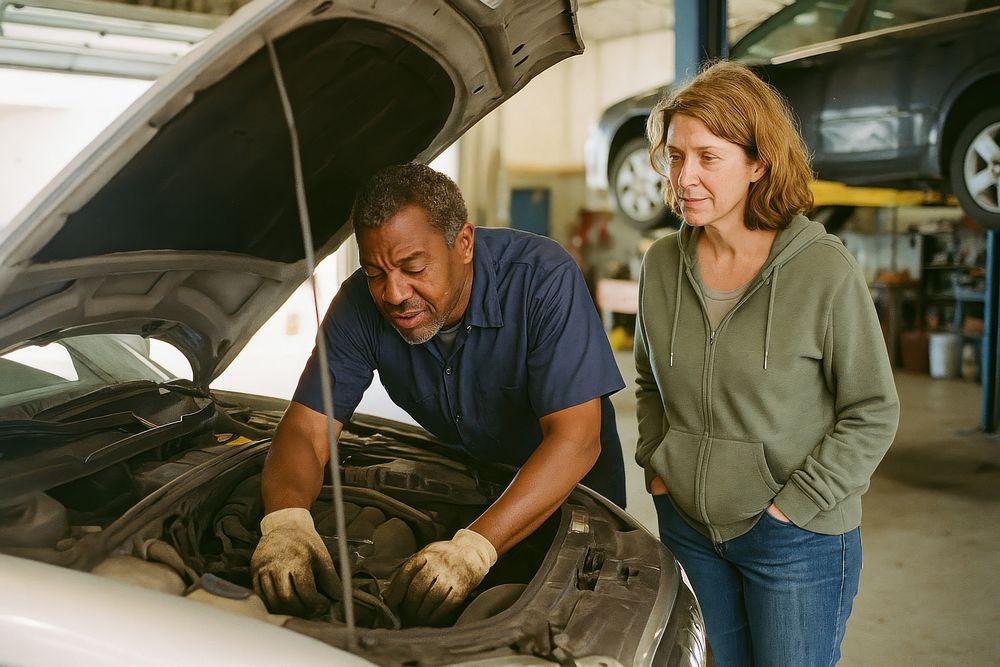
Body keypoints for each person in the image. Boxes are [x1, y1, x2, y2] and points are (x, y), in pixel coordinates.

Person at [251, 163, 626, 625]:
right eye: (375, 272)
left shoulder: (541, 278)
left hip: (573, 496)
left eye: (414, 268)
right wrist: (286, 521)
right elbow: (307, 429)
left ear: (464, 243)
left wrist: (474, 548)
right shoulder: (358, 305)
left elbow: (576, 439)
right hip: (472, 486)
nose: (393, 293)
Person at [634, 60, 900, 666]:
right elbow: (649, 383)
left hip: (795, 542)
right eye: (676, 156)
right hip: (690, 531)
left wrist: (793, 510)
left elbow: (872, 410)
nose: (685, 177)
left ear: (758, 164)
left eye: (708, 157)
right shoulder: (659, 267)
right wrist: (660, 467)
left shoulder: (822, 270)